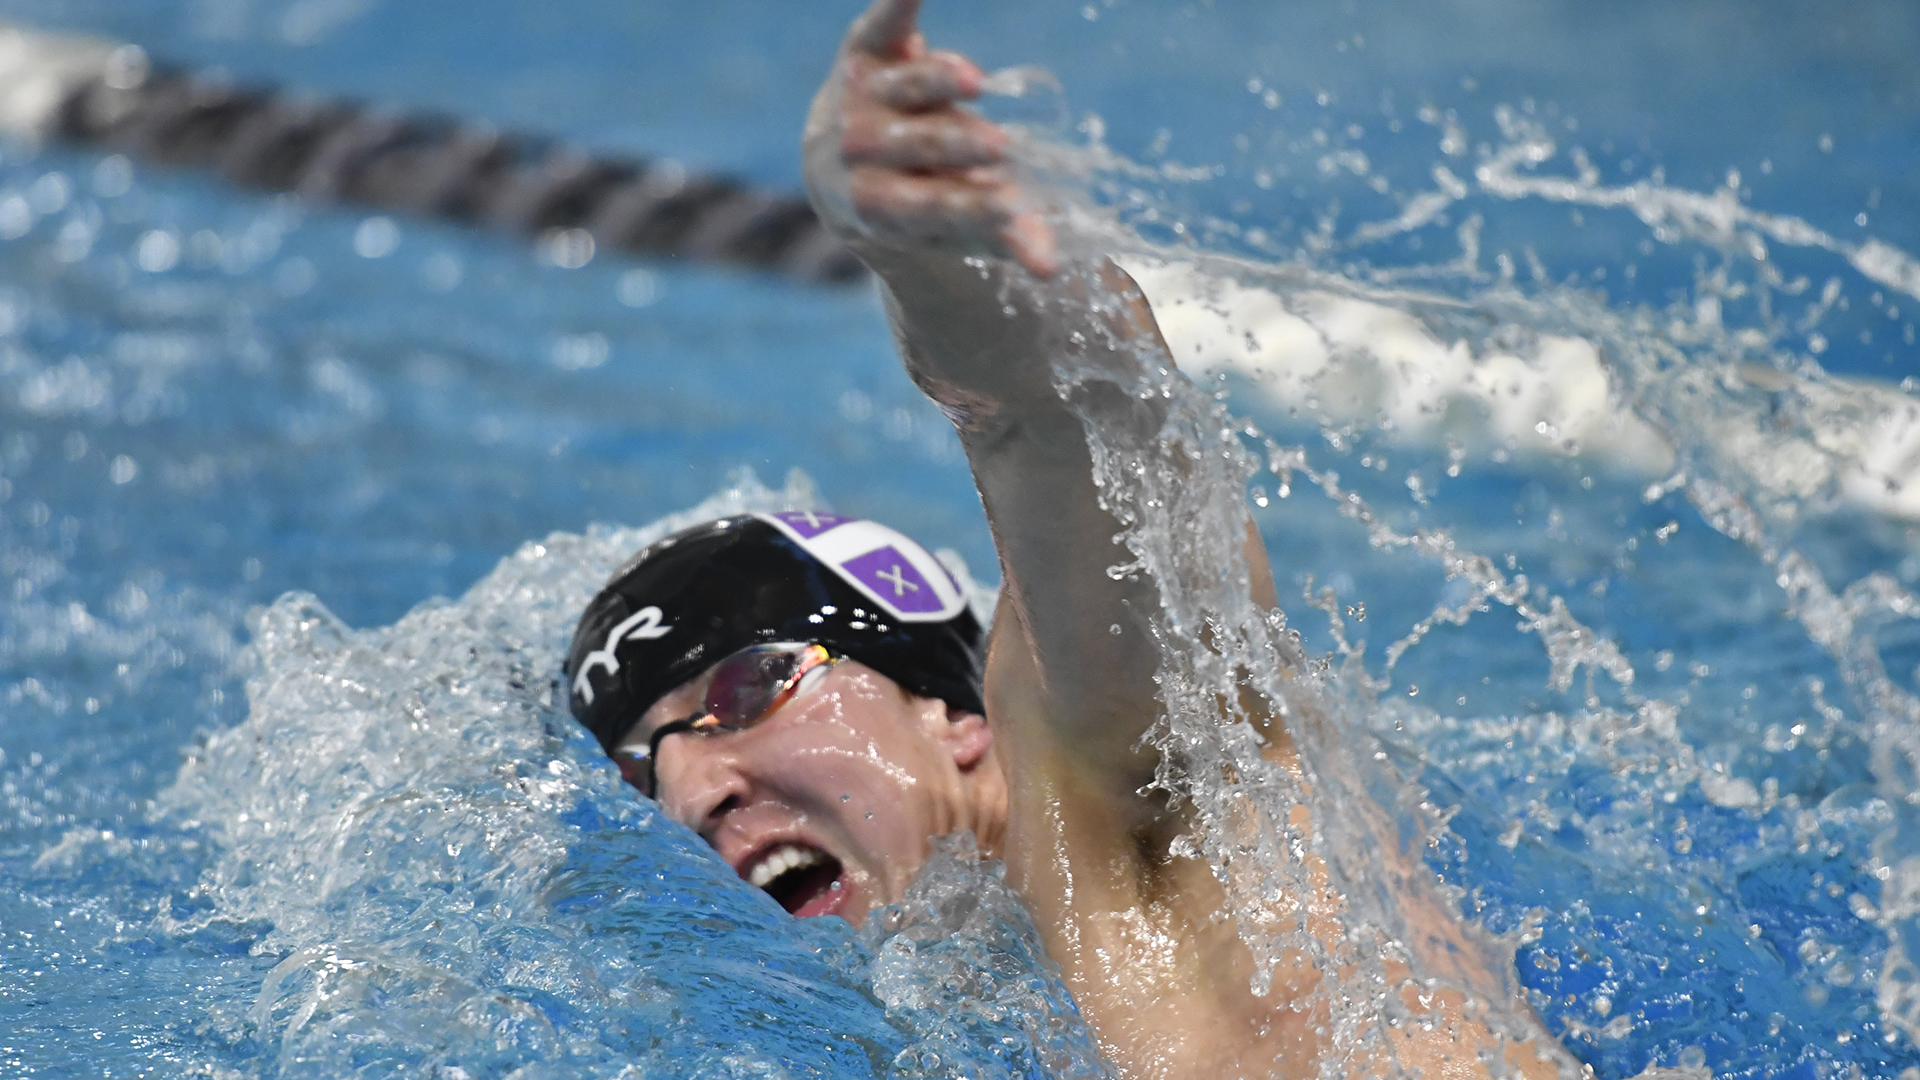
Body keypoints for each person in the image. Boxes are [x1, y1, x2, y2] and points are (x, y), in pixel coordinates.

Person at [567, 2, 1567, 1076]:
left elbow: (1060, 423)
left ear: (952, 714)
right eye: (642, 770)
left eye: (744, 691)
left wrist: (925, 251)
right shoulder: (956, 1005)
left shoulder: (1154, 821)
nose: (689, 791)